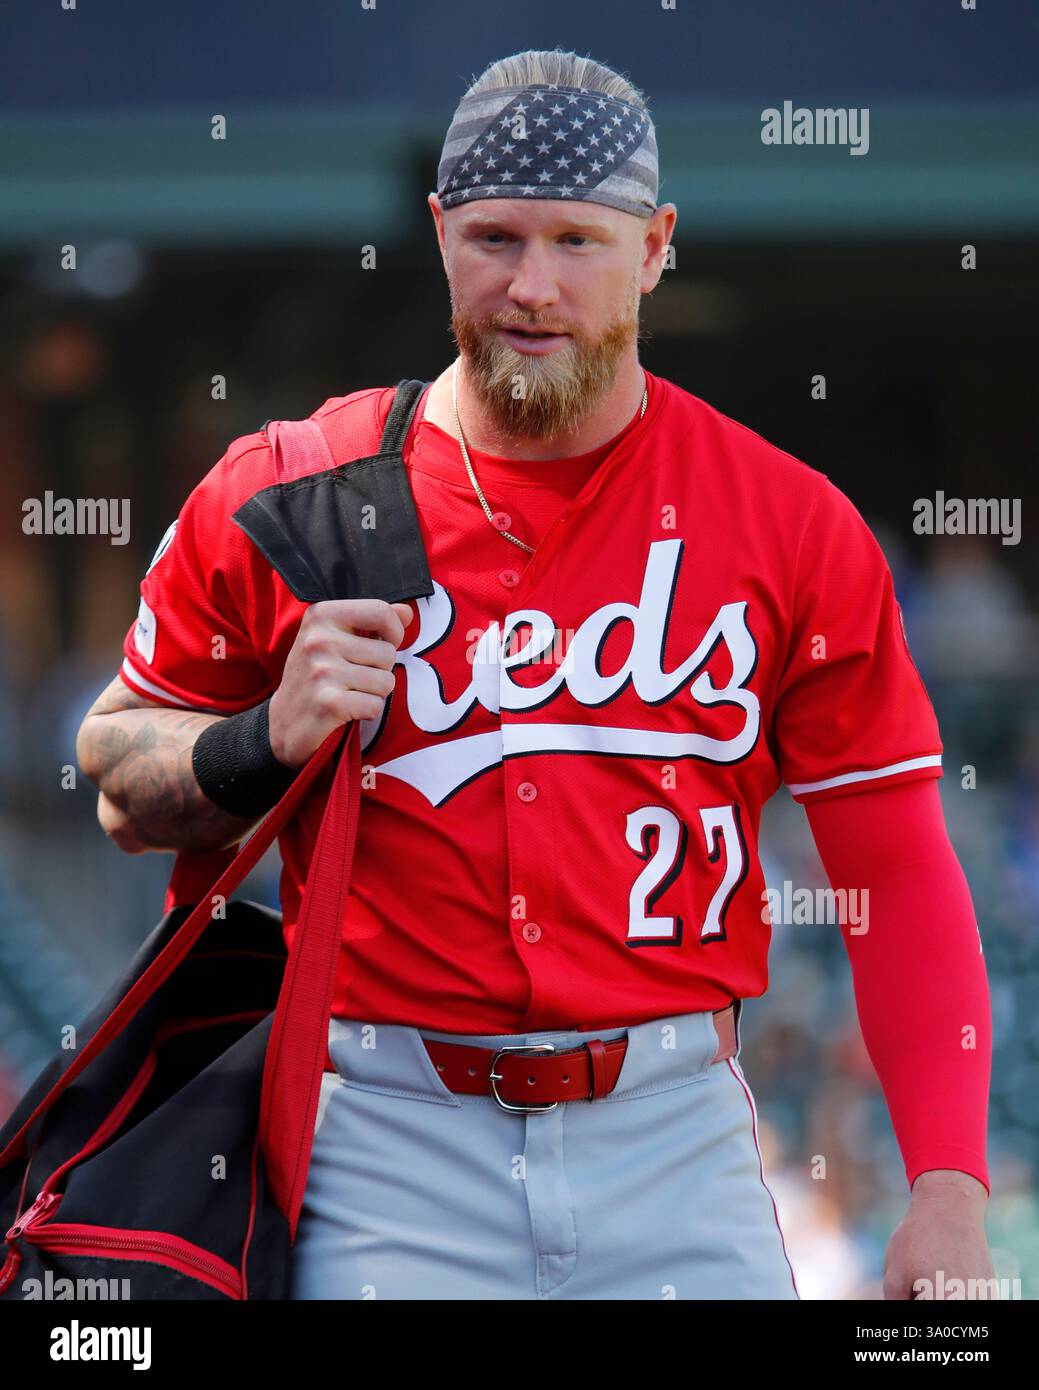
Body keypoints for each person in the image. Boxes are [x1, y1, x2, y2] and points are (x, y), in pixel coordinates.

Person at [76, 48, 993, 1301]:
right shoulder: (295, 487)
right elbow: (118, 780)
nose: (533, 285)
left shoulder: (788, 521)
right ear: (440, 233)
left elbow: (892, 866)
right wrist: (261, 738)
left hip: (675, 1132)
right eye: (496, 238)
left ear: (655, 246)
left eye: (577, 240)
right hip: (385, 1137)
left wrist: (945, 1184)